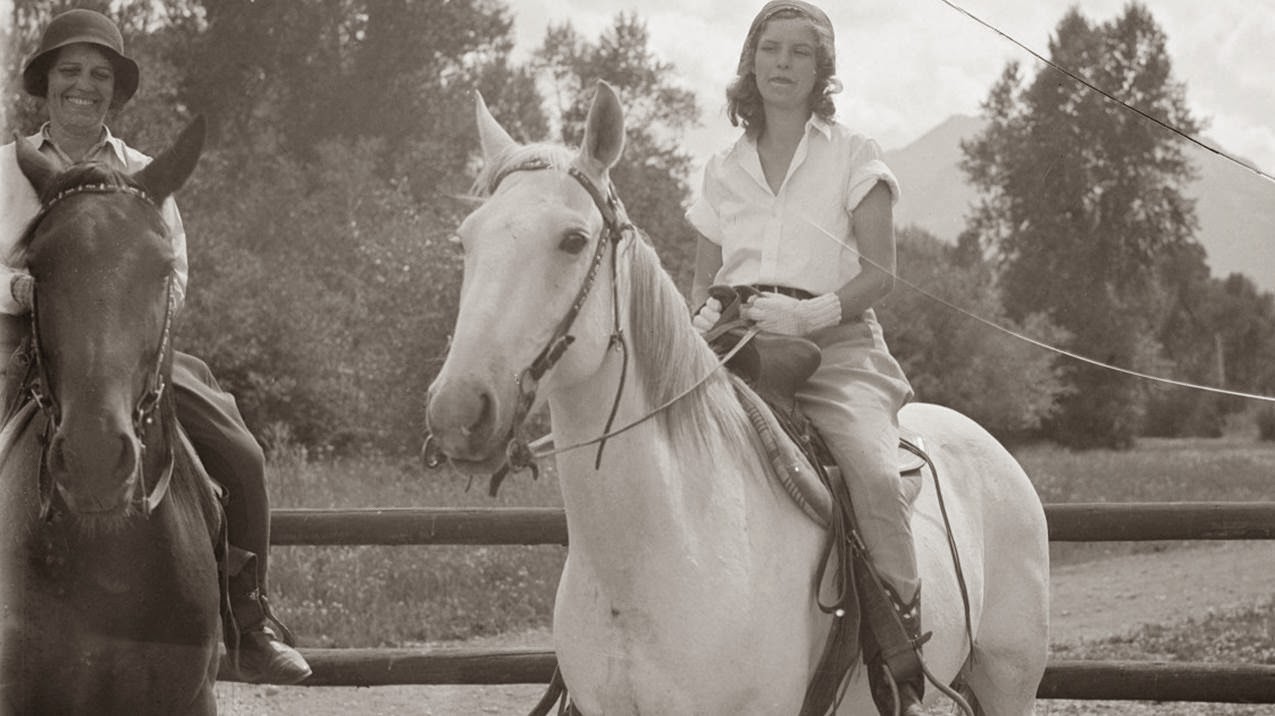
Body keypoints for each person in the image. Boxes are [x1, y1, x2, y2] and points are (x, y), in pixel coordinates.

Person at [0, 8, 311, 685]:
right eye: (70, 72)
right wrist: (17, 291)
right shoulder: (3, 172)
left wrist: (132, 330)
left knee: (242, 453)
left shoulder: (147, 176)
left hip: (128, 352)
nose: (84, 85)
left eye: (99, 75)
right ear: (46, 83)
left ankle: (249, 617)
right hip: (19, 347)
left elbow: (175, 277)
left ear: (115, 90)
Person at [685, 1, 924, 712]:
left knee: (873, 474)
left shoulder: (854, 153)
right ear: (749, 61)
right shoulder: (721, 168)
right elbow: (703, 274)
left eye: (798, 53)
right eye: (769, 49)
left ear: (822, 71)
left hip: (837, 343)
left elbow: (880, 273)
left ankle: (900, 655)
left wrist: (812, 313)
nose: (780, 64)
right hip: (737, 338)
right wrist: (700, 316)